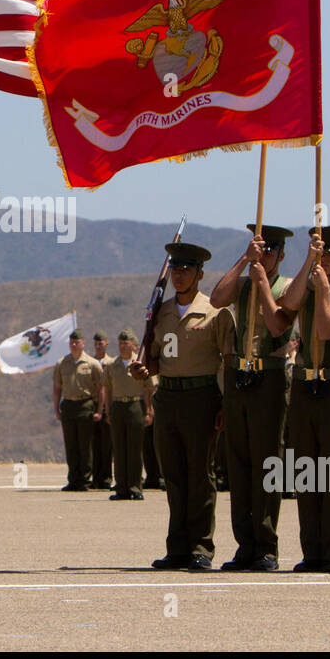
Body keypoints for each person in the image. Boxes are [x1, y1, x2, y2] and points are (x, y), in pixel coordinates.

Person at [264, 227, 330, 573]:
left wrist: (323, 290)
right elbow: (285, 306)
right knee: (307, 471)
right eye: (324, 252)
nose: (328, 258)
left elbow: (325, 329)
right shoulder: (306, 283)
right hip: (306, 385)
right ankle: (311, 551)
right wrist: (309, 263)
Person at [130, 241, 226, 571]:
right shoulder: (163, 313)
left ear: (199, 274)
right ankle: (178, 547)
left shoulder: (213, 311)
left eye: (186, 270)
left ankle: (201, 546)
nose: (179, 275)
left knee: (201, 474)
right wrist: (143, 369)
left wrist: (224, 404)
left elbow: (225, 362)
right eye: (175, 270)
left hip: (201, 398)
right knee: (174, 475)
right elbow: (156, 360)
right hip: (168, 397)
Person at [208, 224, 296, 572]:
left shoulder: (285, 287)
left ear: (281, 255)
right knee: (239, 463)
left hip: (269, 374)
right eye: (263, 249)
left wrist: (262, 281)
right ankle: (245, 544)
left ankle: (266, 545)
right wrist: (245, 260)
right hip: (238, 375)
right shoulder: (243, 284)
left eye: (272, 251)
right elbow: (216, 298)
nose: (267, 256)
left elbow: (279, 325)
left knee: (266, 463)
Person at [104, 328, 155, 500]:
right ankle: (121, 488)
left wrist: (149, 410)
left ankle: (135, 487)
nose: (122, 346)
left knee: (134, 449)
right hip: (118, 406)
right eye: (120, 343)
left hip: (135, 405)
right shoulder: (112, 365)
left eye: (125, 343)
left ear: (133, 345)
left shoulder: (140, 365)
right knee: (119, 449)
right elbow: (108, 389)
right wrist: (108, 410)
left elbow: (149, 388)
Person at [53, 330, 105, 491]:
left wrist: (99, 410)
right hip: (68, 405)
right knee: (71, 445)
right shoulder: (62, 363)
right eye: (71, 342)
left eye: (77, 342)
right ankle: (73, 479)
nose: (74, 345)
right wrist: (56, 409)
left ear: (83, 344)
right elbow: (57, 388)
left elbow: (101, 388)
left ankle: (84, 479)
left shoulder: (92, 363)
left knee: (85, 445)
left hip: (85, 405)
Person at [91, 331, 116, 491]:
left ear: (106, 344)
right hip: (93, 405)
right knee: (93, 445)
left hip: (108, 406)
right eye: (96, 344)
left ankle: (106, 478)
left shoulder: (112, 363)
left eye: (101, 343)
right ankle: (95, 478)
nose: (98, 346)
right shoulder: (90, 362)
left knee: (107, 445)